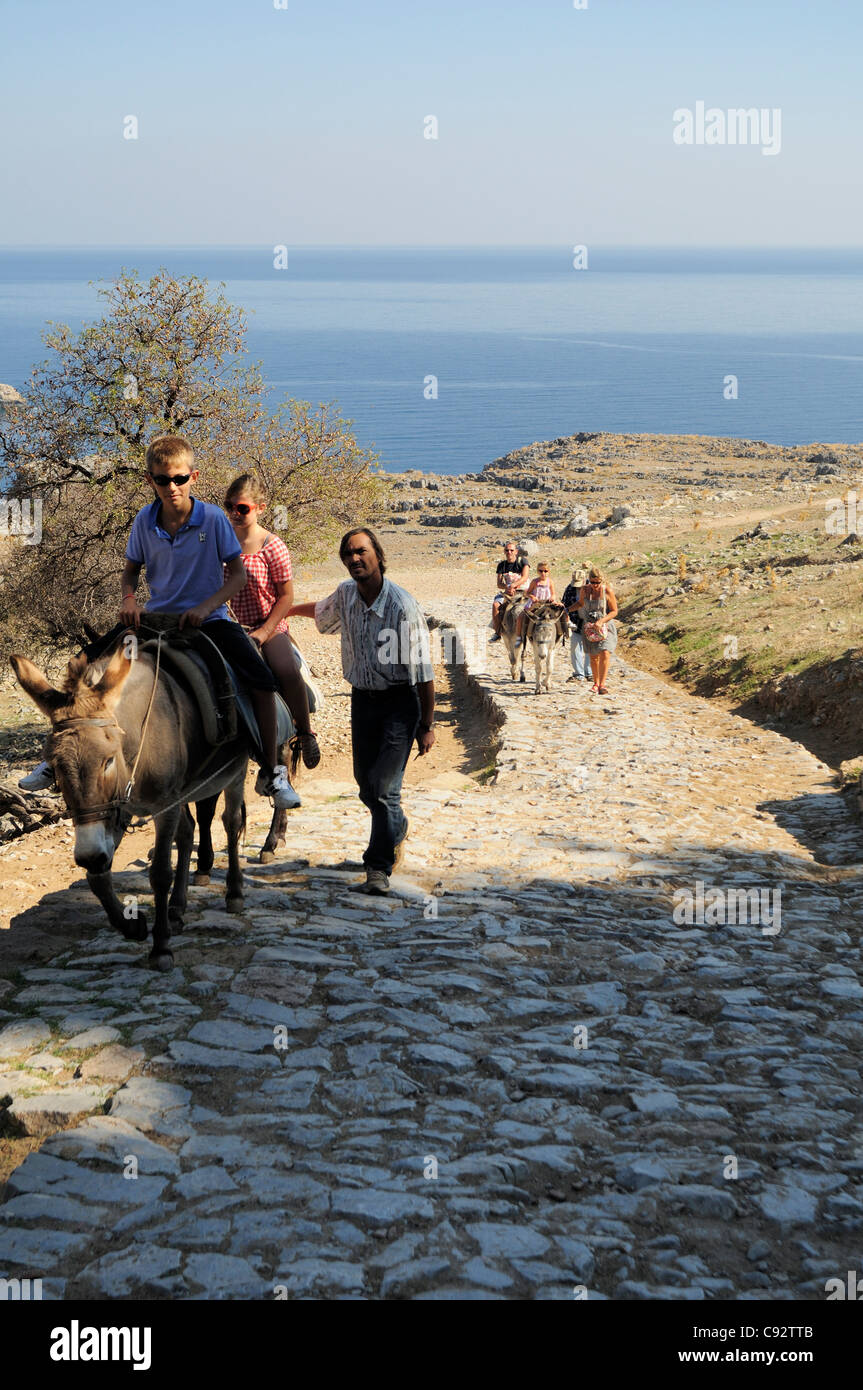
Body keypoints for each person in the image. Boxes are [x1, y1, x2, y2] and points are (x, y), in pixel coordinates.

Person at [19, 436, 299, 810]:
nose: (172, 487)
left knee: (260, 680)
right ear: (149, 479)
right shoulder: (143, 521)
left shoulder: (214, 519)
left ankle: (271, 771)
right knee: (81, 667)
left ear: (193, 477)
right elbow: (131, 571)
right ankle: (52, 760)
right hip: (154, 620)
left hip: (208, 622)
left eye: (179, 479)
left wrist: (206, 606)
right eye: (162, 480)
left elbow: (236, 577)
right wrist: (129, 601)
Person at [287, 527, 435, 896]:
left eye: (361, 552)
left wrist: (427, 724)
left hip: (399, 704)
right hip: (362, 701)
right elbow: (321, 613)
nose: (355, 559)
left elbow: (424, 673)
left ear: (378, 556)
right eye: (348, 554)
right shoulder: (345, 595)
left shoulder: (402, 606)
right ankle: (396, 828)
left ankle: (378, 866)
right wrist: (284, 612)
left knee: (384, 789)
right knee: (366, 788)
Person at [223, 474, 320, 772]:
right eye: (229, 507)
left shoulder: (272, 546)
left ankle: (304, 732)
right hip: (232, 625)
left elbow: (286, 596)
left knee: (286, 669)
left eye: (242, 508)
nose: (234, 514)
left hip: (269, 623)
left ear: (260, 508)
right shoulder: (222, 541)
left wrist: (265, 631)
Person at [578, 565, 619, 695]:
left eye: (597, 582)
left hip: (605, 625)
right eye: (592, 582)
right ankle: (595, 683)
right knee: (593, 655)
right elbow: (580, 604)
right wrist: (566, 609)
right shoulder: (584, 590)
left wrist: (601, 621)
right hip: (590, 627)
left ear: (602, 581)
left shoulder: (607, 591)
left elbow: (614, 611)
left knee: (605, 653)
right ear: (588, 580)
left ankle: (602, 684)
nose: (595, 585)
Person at [490, 540, 530, 641]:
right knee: (496, 605)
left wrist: (513, 586)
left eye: (511, 550)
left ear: (516, 551)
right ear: (504, 552)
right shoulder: (501, 565)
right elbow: (499, 584)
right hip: (508, 592)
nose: (509, 552)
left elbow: (525, 577)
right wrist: (507, 588)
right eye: (507, 550)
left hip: (523, 591)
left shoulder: (523, 561)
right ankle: (498, 632)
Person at [515, 561, 562, 639]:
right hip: (536, 603)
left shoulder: (550, 582)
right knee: (521, 616)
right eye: (540, 571)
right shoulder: (535, 582)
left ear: (548, 572)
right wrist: (532, 597)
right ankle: (519, 636)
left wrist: (552, 597)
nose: (543, 573)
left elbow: (553, 593)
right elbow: (527, 593)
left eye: (545, 571)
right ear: (537, 571)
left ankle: (563, 630)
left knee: (560, 610)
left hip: (547, 603)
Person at [562, 566, 590, 682]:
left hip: (590, 622)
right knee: (575, 647)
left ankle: (589, 672)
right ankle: (579, 674)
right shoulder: (570, 588)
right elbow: (565, 605)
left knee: (590, 648)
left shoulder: (591, 587)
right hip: (576, 622)